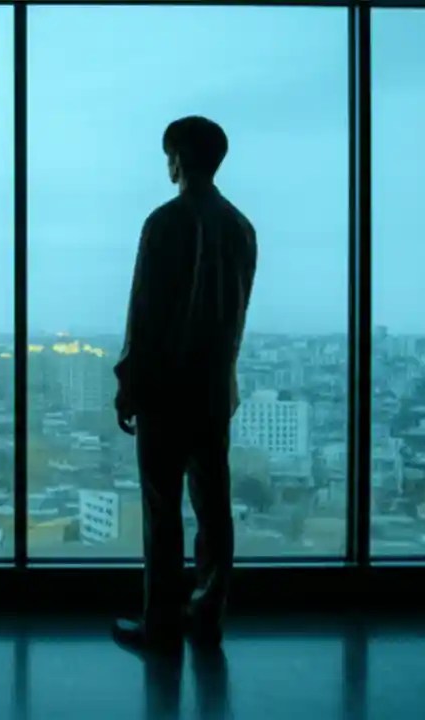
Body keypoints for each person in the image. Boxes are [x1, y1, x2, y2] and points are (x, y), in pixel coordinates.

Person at [112, 116, 258, 652]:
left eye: (168, 154)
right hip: (215, 390)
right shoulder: (242, 228)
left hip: (165, 391)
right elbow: (235, 317)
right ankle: (210, 609)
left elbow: (144, 314)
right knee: (213, 505)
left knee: (162, 508)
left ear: (178, 160)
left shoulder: (164, 222)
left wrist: (128, 383)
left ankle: (162, 621)